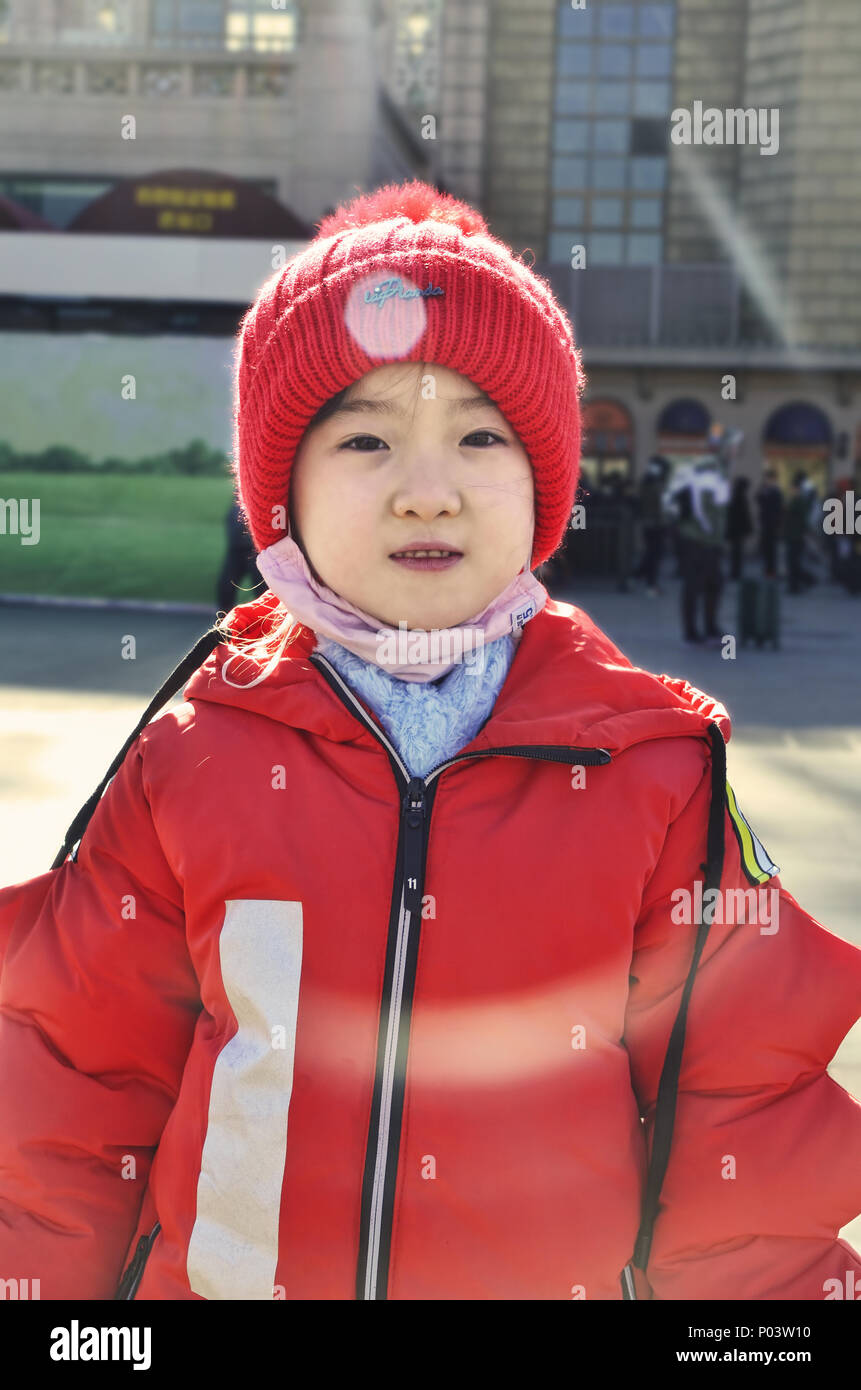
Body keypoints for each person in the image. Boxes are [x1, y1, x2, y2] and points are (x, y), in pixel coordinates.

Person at [1, 180, 859, 1303]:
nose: (427, 492)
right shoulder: (191, 752)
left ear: (544, 481)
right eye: (364, 437)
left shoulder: (654, 768)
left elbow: (740, 1121)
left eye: (479, 435)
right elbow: (74, 1092)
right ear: (281, 494)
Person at [666, 455, 730, 645]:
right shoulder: (702, 485)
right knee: (700, 585)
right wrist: (710, 531)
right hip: (700, 541)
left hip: (699, 541)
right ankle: (698, 629)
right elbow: (705, 514)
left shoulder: (695, 484)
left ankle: (702, 628)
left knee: (705, 585)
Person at [215, 497, 264, 616]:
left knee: (262, 590)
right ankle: (223, 621)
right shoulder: (238, 499)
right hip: (236, 550)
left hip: (255, 551)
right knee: (225, 586)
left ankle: (266, 623)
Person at [633, 455, 670, 595]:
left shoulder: (645, 483)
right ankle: (650, 584)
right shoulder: (657, 486)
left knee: (650, 554)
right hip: (657, 524)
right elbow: (661, 507)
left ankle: (636, 578)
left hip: (648, 524)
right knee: (654, 555)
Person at [755, 467, 784, 577]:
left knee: (771, 548)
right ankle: (767, 569)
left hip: (772, 523)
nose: (766, 481)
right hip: (765, 522)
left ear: (773, 479)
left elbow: (778, 508)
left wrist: (778, 523)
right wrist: (762, 490)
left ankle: (771, 570)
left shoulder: (776, 491)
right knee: (766, 548)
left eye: (768, 478)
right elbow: (757, 498)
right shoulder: (765, 490)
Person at [726, 476, 754, 580]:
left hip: (735, 529)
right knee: (737, 552)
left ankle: (735, 572)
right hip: (738, 530)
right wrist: (749, 528)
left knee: (736, 552)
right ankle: (736, 573)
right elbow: (744, 515)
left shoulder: (735, 497)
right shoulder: (740, 498)